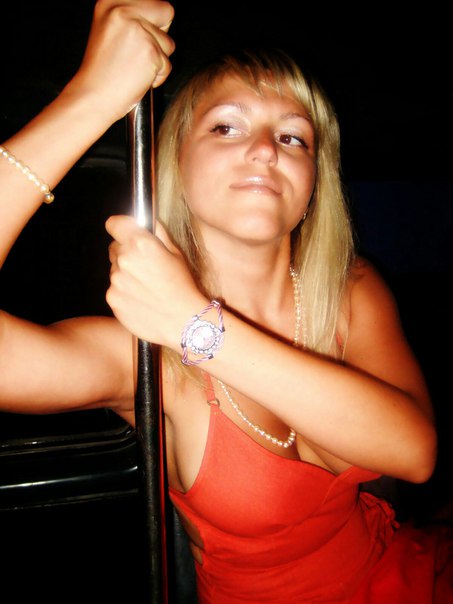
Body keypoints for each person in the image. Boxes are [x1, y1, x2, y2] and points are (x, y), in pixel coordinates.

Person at [0, 1, 451, 602]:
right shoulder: (146, 358)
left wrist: (195, 324)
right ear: (175, 162)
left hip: (402, 574)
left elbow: (415, 452)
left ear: (314, 181)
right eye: (226, 127)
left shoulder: (350, 288)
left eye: (293, 137)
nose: (266, 149)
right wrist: (92, 97)